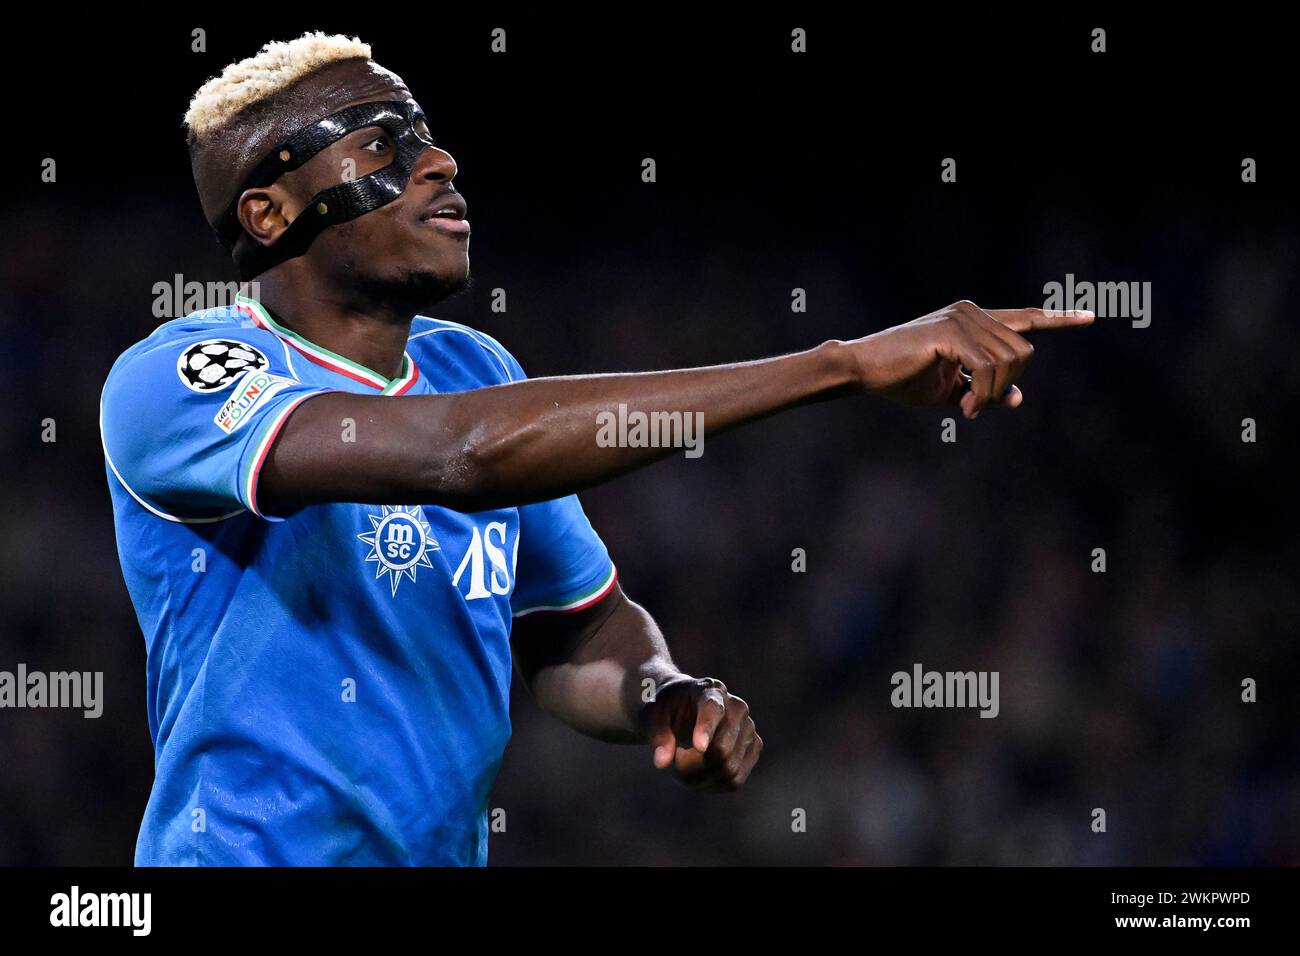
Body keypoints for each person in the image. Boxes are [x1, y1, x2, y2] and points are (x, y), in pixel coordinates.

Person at [100, 32, 1092, 865]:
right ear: (268, 214)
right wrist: (841, 364)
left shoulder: (473, 366)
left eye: (430, 139)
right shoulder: (182, 373)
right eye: (380, 145)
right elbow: (466, 458)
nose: (437, 165)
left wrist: (660, 690)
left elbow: (574, 630)